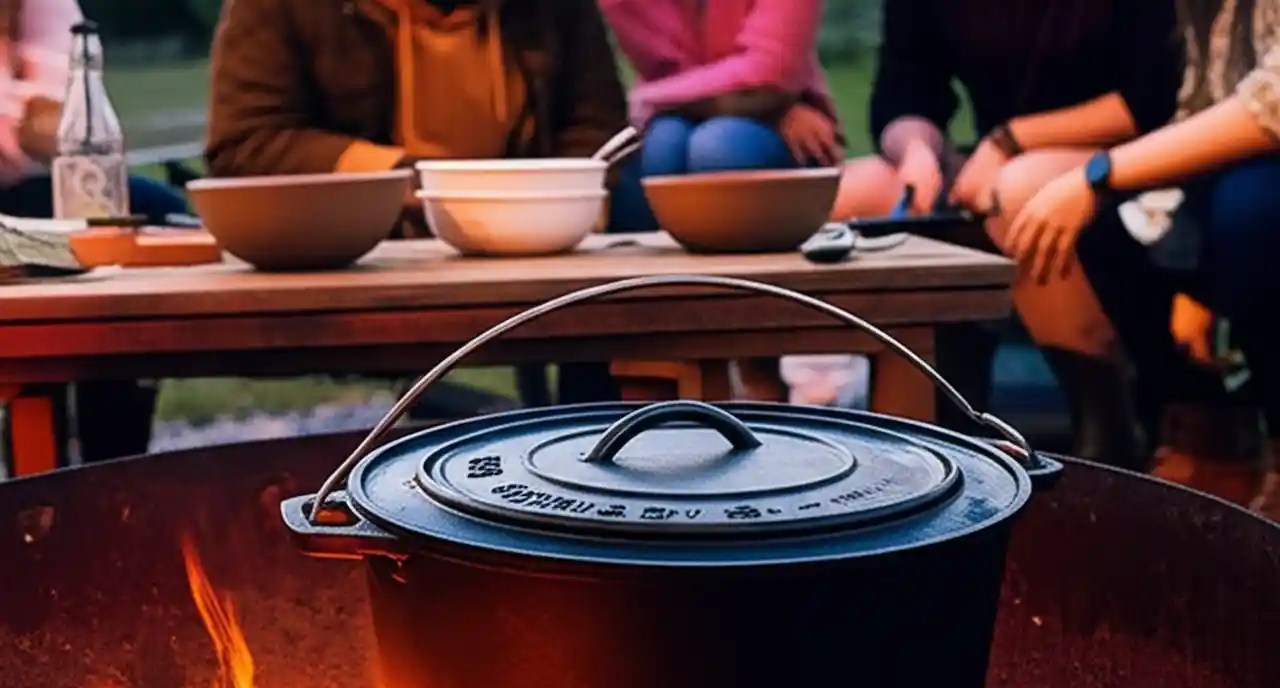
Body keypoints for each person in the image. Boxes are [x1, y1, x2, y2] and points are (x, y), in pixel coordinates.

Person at [206, 0, 629, 404]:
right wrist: (403, 179)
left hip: (536, 235)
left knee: (623, 281)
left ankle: (598, 447)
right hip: (361, 246)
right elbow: (246, 142)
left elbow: (596, 124)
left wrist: (566, 198)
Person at [832, 0, 1183, 466]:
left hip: (1135, 154)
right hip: (999, 158)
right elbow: (905, 90)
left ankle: (1111, 426)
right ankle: (935, 423)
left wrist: (1009, 140)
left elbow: (1154, 98)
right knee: (852, 192)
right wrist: (918, 148)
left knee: (1018, 191)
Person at [1005, 0, 1280, 518]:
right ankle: (1208, 435)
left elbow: (1271, 107)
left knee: (1251, 214)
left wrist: (1098, 173)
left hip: (1261, 177)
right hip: (1243, 164)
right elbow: (1201, 112)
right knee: (1110, 225)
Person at [599, 0, 844, 400]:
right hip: (678, 125)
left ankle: (753, 366)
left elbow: (771, 70)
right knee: (663, 145)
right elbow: (674, 70)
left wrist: (651, 97)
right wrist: (737, 93)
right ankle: (654, 374)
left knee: (719, 148)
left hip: (775, 135)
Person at [1, 0, 189, 462]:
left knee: (143, 218)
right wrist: (28, 113)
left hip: (28, 192)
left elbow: (66, 119)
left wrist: (34, 117)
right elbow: (38, 128)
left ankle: (110, 478)